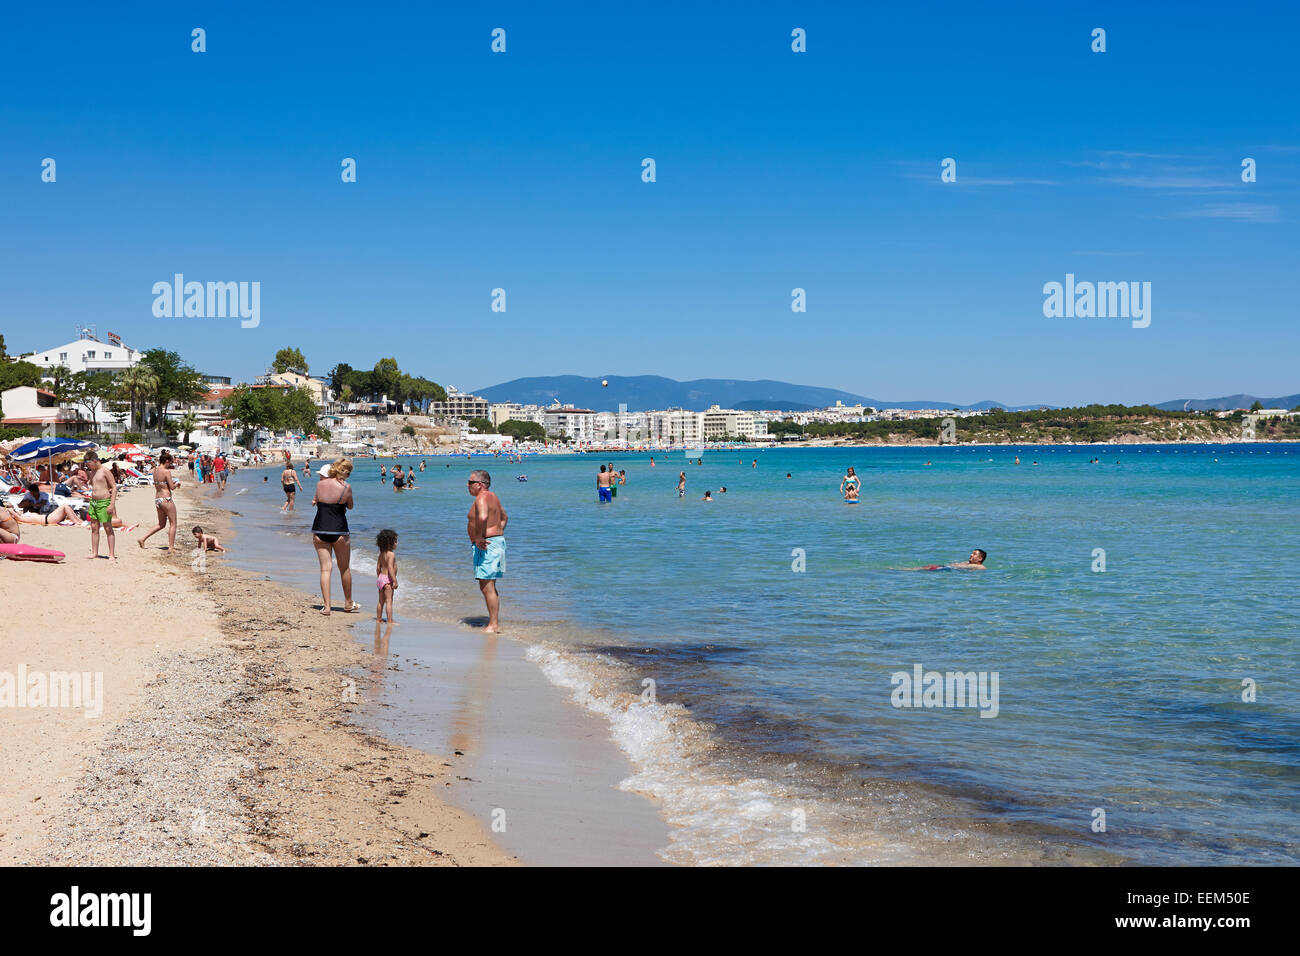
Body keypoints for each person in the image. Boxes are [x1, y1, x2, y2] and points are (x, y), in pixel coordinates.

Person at [311, 458, 359, 615]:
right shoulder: (346, 487)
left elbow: (318, 501)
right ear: (344, 471)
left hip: (320, 529)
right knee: (344, 568)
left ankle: (327, 606)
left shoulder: (320, 485)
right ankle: (348, 603)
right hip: (339, 531)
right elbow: (350, 506)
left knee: (325, 569)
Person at [466, 469, 507, 633]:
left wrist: (479, 538)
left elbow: (482, 517)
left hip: (487, 545)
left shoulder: (482, 498)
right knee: (488, 585)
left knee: (487, 586)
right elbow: (504, 517)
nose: (467, 485)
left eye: (470, 482)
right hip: (495, 543)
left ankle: (493, 624)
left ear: (480, 484)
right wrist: (498, 532)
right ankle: (493, 622)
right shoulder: (493, 496)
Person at [138, 451, 180, 550]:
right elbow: (172, 487)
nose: (170, 465)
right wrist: (177, 484)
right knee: (173, 523)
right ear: (166, 461)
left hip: (158, 499)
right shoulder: (166, 471)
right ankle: (171, 547)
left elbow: (162, 484)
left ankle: (143, 538)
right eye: (170, 463)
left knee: (161, 524)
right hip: (166, 499)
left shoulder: (155, 471)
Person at [83, 451, 118, 560]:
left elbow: (114, 487)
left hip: (104, 502)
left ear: (95, 461)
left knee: (108, 527)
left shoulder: (105, 471)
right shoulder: (92, 472)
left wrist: (112, 504)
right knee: (94, 527)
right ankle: (94, 553)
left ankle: (111, 554)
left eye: (88, 464)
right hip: (93, 502)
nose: (88, 466)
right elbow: (94, 484)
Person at [375, 528, 398, 624]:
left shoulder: (381, 554)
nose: (397, 543)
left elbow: (377, 568)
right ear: (390, 543)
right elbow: (390, 568)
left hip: (381, 578)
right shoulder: (391, 554)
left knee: (381, 601)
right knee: (389, 601)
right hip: (388, 579)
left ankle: (379, 619)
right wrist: (394, 580)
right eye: (395, 541)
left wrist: (379, 578)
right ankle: (389, 620)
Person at [898, 549, 988, 571]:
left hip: (948, 570)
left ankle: (904, 570)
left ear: (980, 558)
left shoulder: (980, 567)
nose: (971, 555)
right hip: (946, 568)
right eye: (971, 553)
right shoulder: (968, 562)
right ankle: (905, 570)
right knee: (925, 567)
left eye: (974, 554)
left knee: (924, 569)